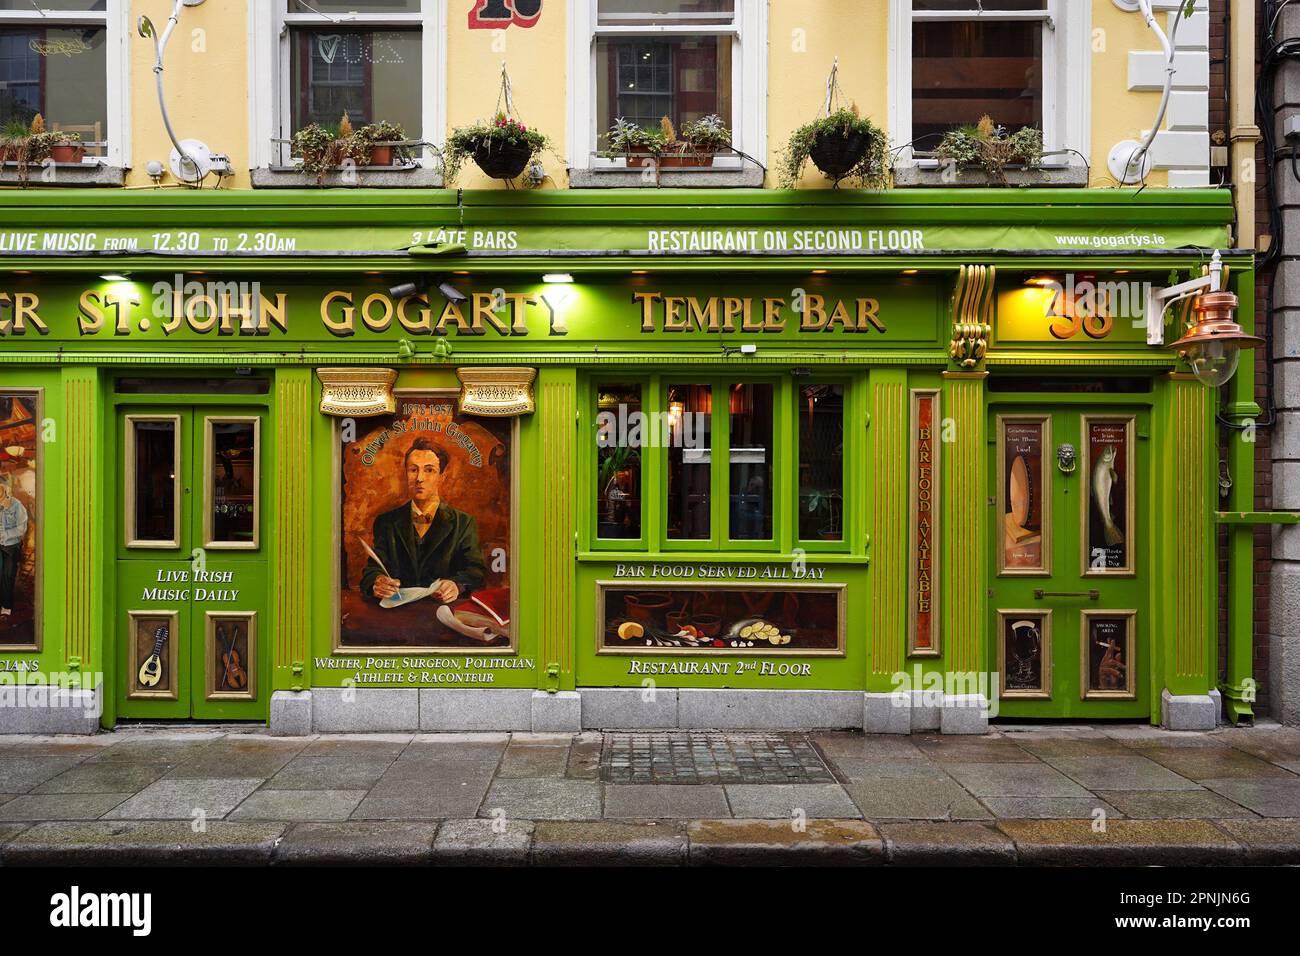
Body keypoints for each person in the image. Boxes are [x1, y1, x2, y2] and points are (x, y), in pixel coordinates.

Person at [360, 439, 486, 606]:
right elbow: (371, 570)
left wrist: (457, 585)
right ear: (406, 474)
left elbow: (476, 573)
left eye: (429, 470)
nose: (419, 478)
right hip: (396, 615)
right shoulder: (386, 522)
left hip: (443, 612)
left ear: (442, 476)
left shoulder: (463, 523)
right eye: (413, 470)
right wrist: (377, 581)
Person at [0, 472, 29, 623]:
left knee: (7, 576)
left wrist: (4, 535)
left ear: (5, 489)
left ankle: (6, 606)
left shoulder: (16, 505)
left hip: (11, 546)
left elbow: (21, 528)